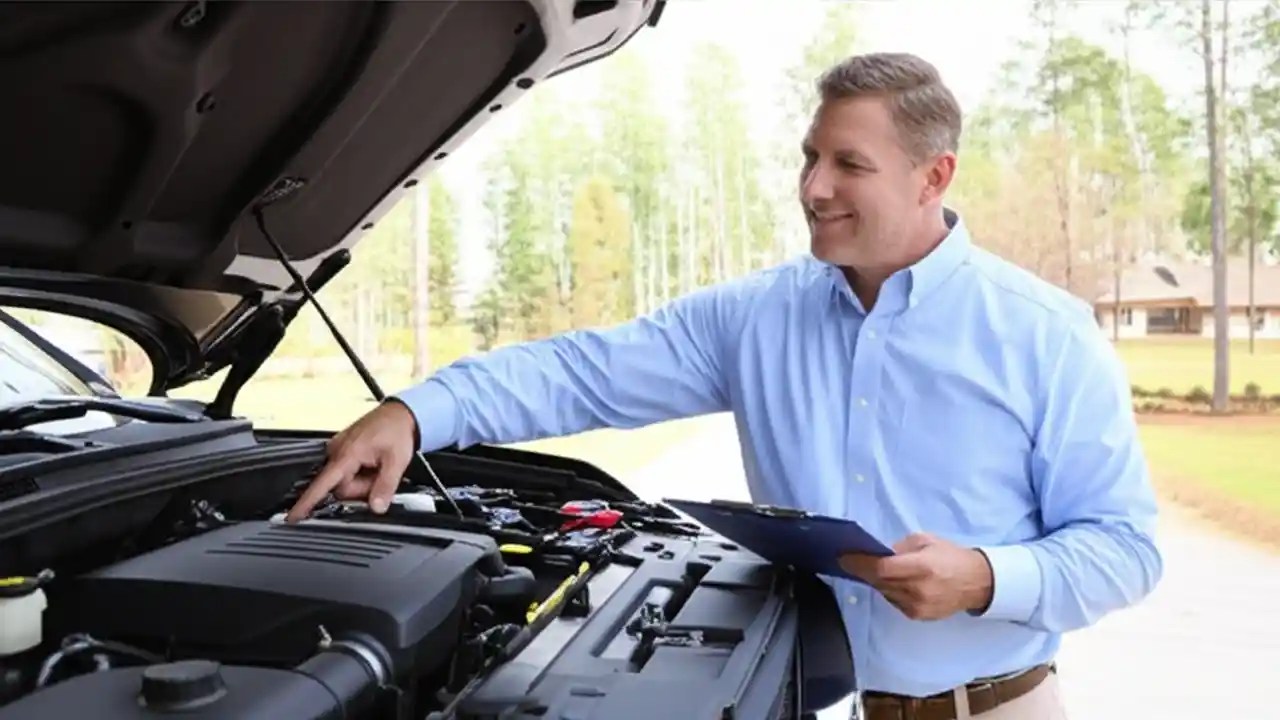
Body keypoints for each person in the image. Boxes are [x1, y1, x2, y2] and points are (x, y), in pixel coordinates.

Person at [287, 52, 1162, 719]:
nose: (813, 188)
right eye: (810, 157)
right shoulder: (756, 318)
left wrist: (984, 576)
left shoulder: (1043, 333)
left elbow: (1127, 548)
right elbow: (581, 371)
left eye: (848, 165)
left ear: (934, 176)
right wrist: (417, 411)